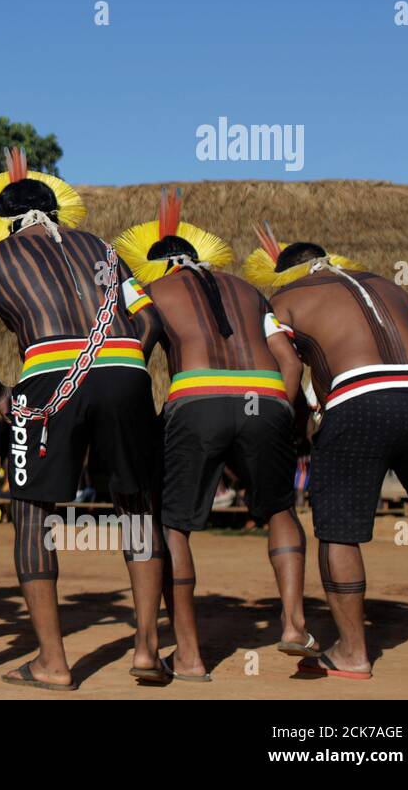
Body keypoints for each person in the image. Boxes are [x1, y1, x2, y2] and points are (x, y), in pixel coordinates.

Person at [0, 148, 165, 690]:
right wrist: (124, 365)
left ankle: (52, 663)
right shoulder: (103, 250)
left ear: (2, 222)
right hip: (124, 367)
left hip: (46, 382)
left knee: (31, 514)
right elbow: (150, 318)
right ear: (57, 212)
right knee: (137, 507)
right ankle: (146, 650)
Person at [113, 190, 314, 682]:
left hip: (197, 400)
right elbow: (290, 361)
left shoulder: (152, 292)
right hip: (267, 396)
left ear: (157, 268)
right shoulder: (249, 290)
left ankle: (189, 656)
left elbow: (135, 355)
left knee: (175, 525)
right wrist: (277, 416)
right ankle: (292, 623)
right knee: (281, 510)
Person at [244, 224, 408, 678]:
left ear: (281, 273)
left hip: (358, 403)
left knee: (338, 528)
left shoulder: (281, 301)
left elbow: (290, 367)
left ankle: (354, 653)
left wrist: (313, 415)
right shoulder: (386, 284)